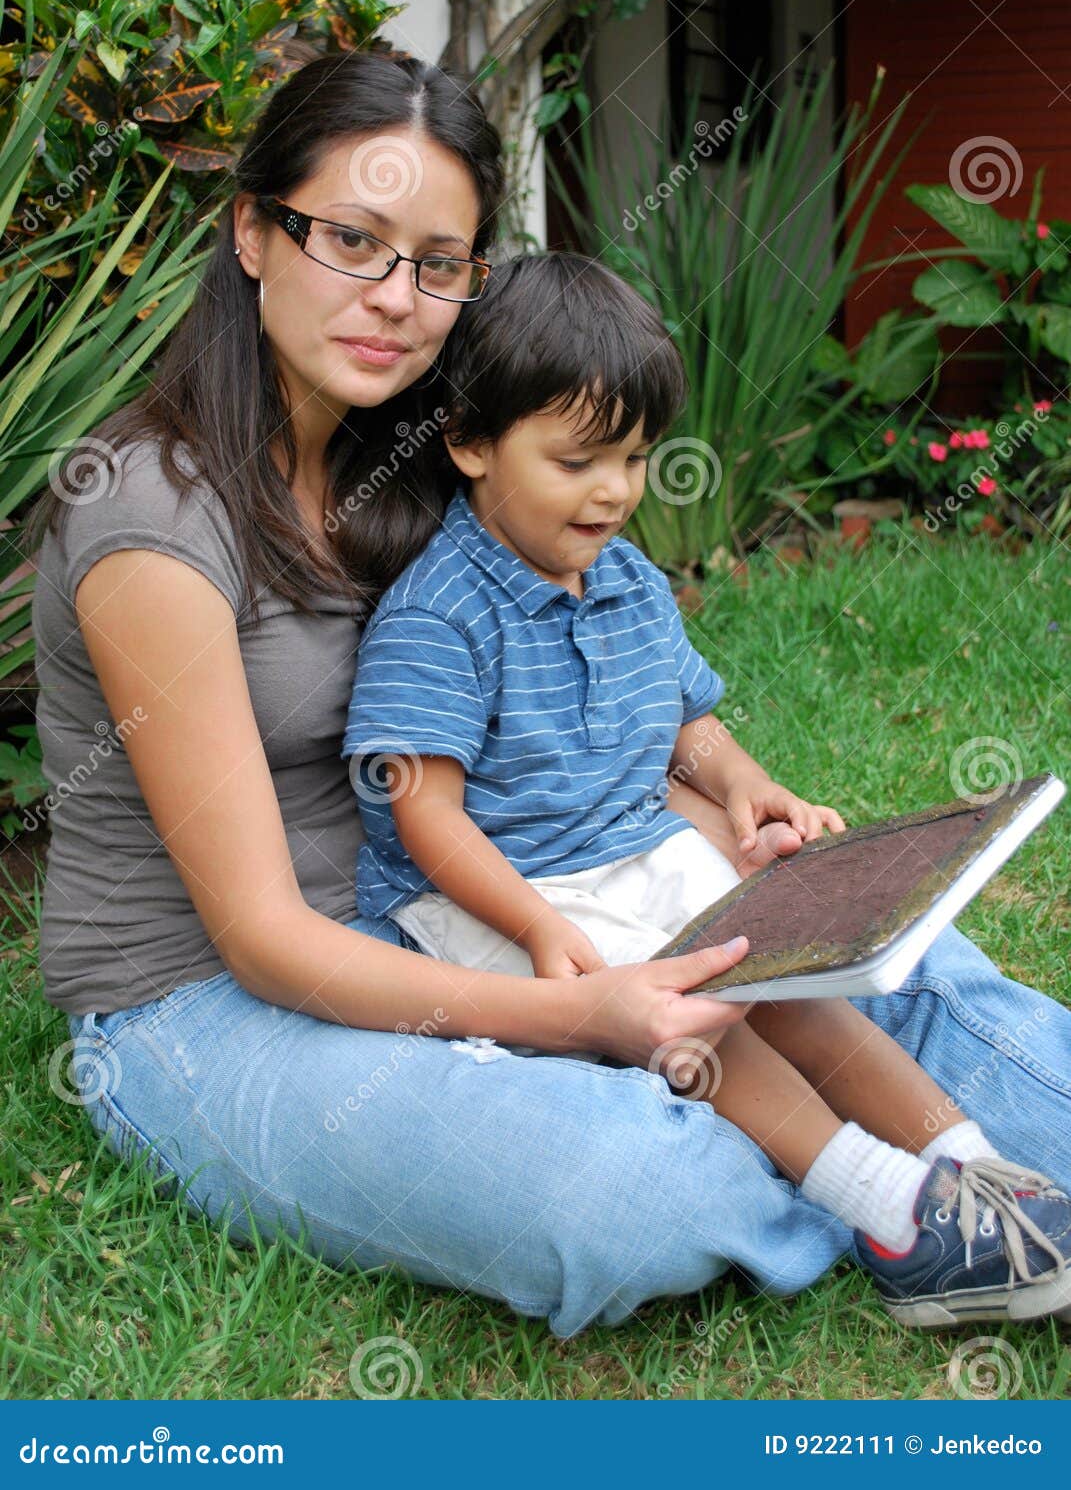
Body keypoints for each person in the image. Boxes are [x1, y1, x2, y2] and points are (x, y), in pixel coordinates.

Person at [22, 50, 1071, 1341]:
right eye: (352, 239)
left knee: (869, 962)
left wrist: (715, 811)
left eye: (439, 261)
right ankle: (886, 1196)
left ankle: (985, 1185)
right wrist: (578, 1010)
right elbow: (262, 937)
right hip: (216, 999)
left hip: (499, 901)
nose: (396, 298)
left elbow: (569, 698)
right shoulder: (153, 521)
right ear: (254, 229)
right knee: (625, 1192)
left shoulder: (422, 461)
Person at [342, 251, 1071, 1326]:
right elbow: (426, 815)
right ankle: (895, 1219)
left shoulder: (630, 582)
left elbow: (690, 725)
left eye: (635, 458)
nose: (616, 491)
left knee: (794, 987)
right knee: (705, 1029)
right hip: (494, 895)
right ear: (468, 442)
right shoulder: (437, 616)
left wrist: (745, 785)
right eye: (579, 459)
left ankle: (983, 1178)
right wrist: (539, 930)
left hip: (635, 856)